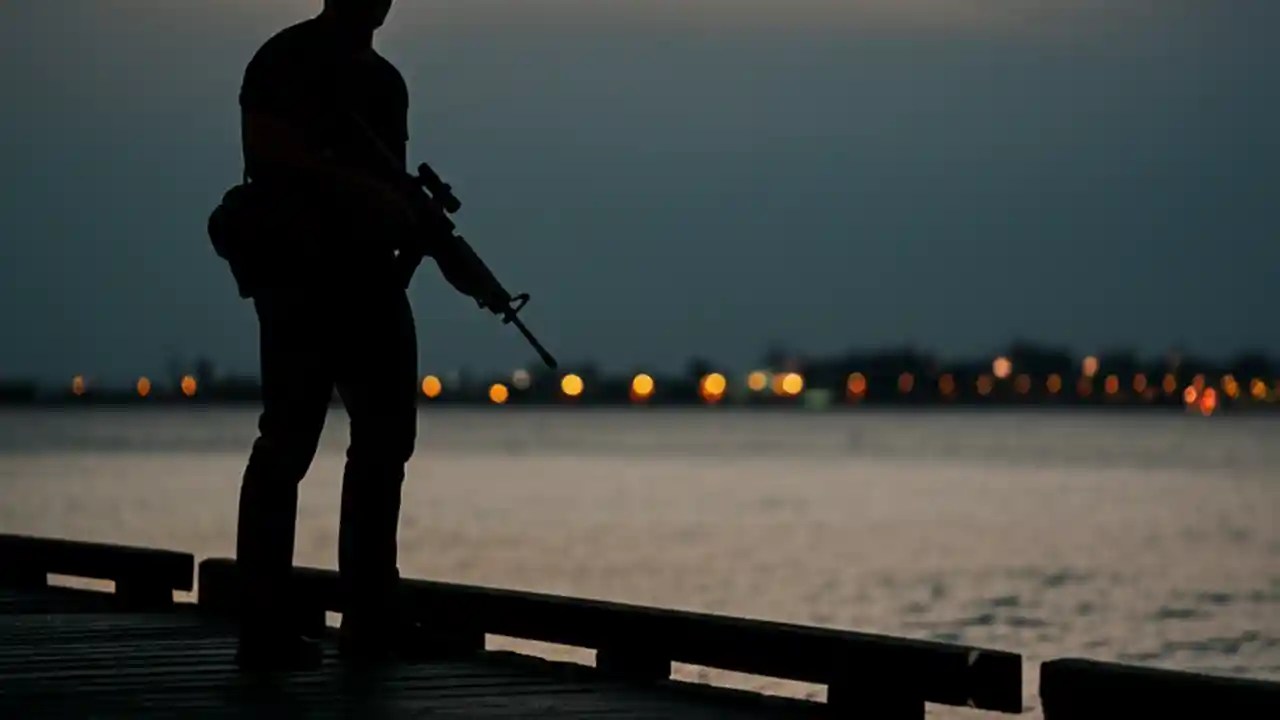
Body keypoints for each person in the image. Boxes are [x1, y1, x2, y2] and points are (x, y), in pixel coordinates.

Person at [232, 0, 429, 671]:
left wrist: (412, 234)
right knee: (287, 442)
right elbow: (269, 153)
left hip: (369, 280)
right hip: (298, 277)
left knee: (386, 442)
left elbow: (394, 189)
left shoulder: (384, 82)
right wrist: (357, 192)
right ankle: (263, 623)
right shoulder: (286, 59)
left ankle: (370, 616)